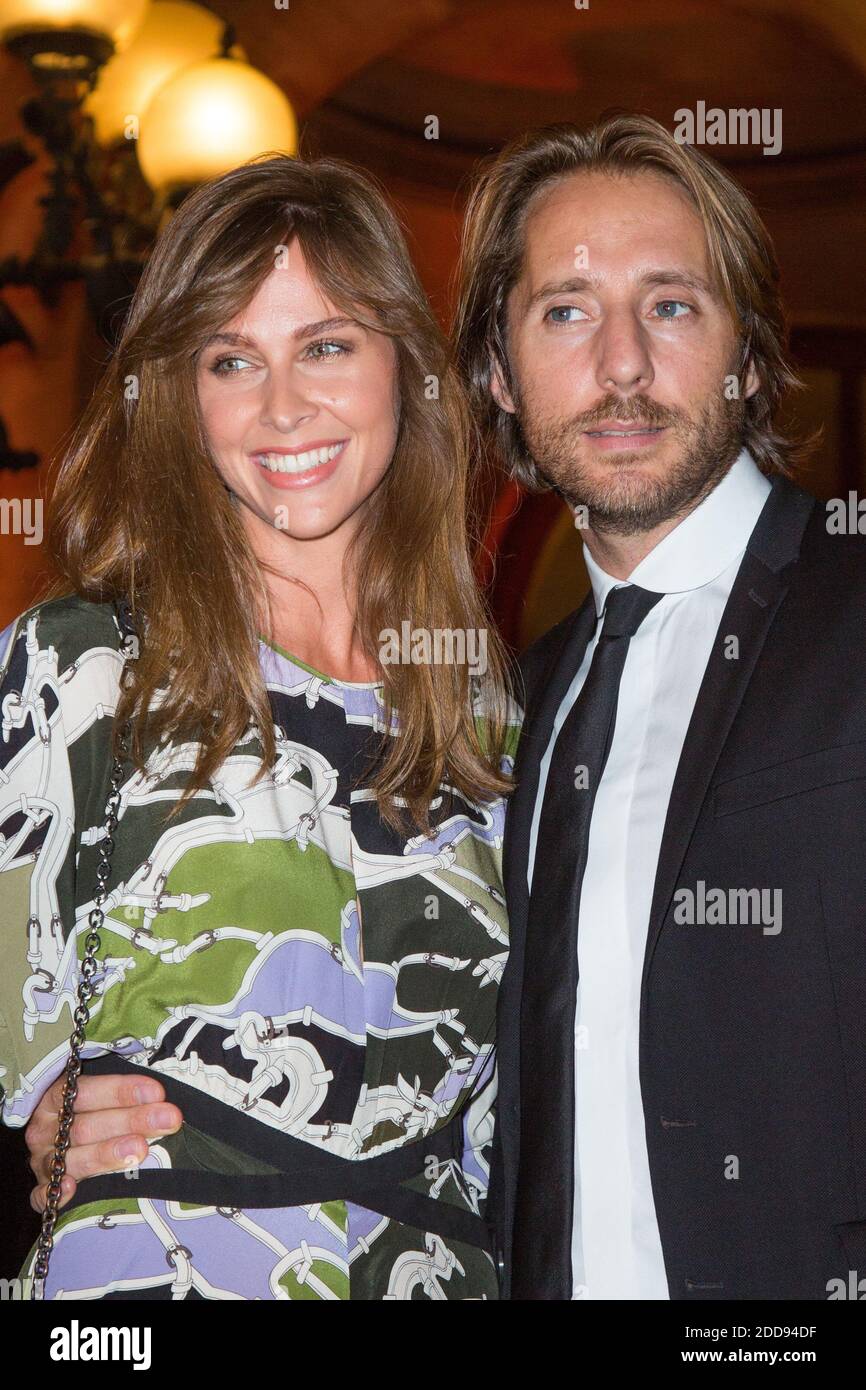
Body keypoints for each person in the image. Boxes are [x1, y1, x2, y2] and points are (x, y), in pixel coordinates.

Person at [0, 152, 520, 1300]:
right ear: (182, 396)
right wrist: (34, 1108)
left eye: (325, 345)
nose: (283, 405)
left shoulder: (484, 706)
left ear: (403, 368)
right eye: (231, 360)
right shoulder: (86, 663)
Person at [452, 113, 866, 1300]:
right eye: (566, 312)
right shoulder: (514, 703)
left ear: (744, 354)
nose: (622, 365)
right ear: (498, 371)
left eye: (671, 305)